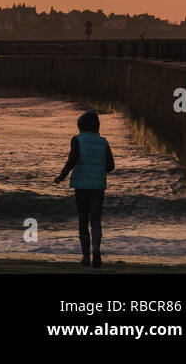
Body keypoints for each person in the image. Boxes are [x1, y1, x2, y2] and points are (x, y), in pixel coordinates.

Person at [53, 111, 115, 267]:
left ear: (80, 126)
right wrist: (98, 169)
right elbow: (110, 166)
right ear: (97, 126)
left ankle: (86, 257)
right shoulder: (104, 142)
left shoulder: (77, 140)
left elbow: (72, 159)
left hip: (81, 185)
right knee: (95, 219)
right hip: (98, 186)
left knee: (83, 219)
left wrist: (61, 176)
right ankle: (96, 249)